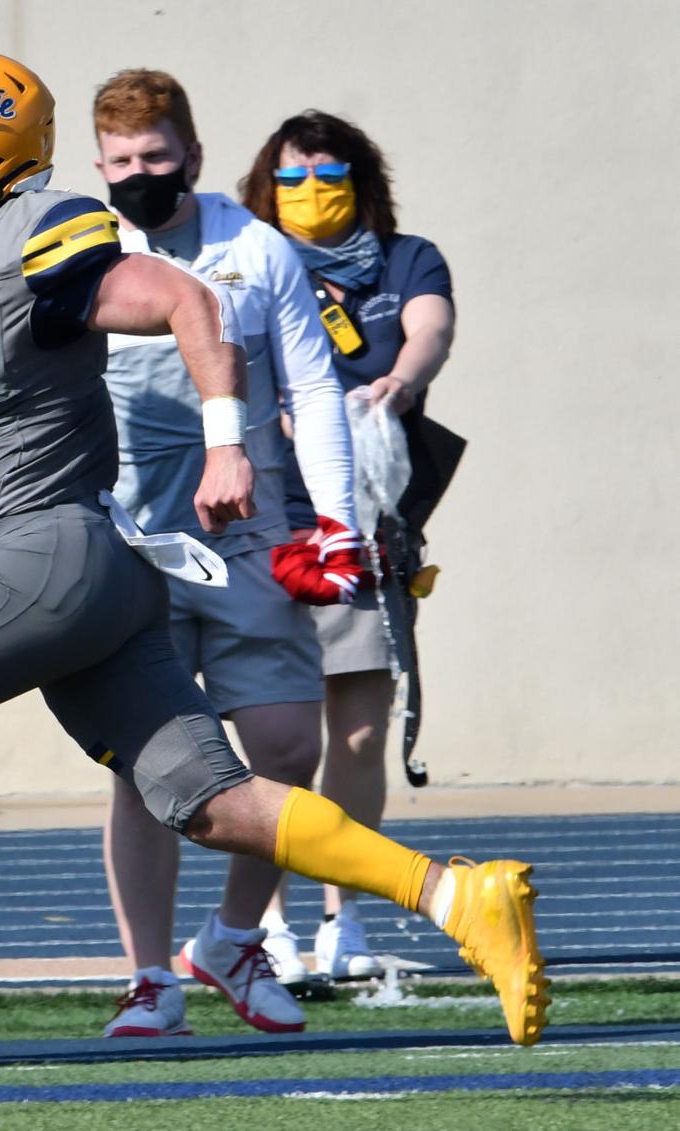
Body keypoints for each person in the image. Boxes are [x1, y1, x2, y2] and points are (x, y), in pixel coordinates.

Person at [0, 49, 546, 1065]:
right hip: (85, 577)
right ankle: (464, 896)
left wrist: (228, 437)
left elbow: (192, 305)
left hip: (50, 548)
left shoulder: (37, 230)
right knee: (212, 803)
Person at [89, 69, 358, 1038]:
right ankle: (149, 975)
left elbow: (316, 388)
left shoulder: (258, 248)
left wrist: (335, 521)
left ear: (193, 157)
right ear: (98, 166)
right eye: (121, 161)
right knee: (141, 767)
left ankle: (235, 939)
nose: (139, 175)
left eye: (156, 157)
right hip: (132, 543)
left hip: (249, 532)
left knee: (289, 745)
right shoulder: (84, 251)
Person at [240, 111, 457, 981]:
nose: (311, 195)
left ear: (363, 181)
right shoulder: (249, 256)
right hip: (265, 518)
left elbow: (430, 330)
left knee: (359, 734)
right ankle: (265, 921)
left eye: (329, 176)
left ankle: (347, 913)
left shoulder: (405, 258)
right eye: (292, 179)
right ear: (266, 186)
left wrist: (397, 386)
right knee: (274, 736)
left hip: (365, 521)